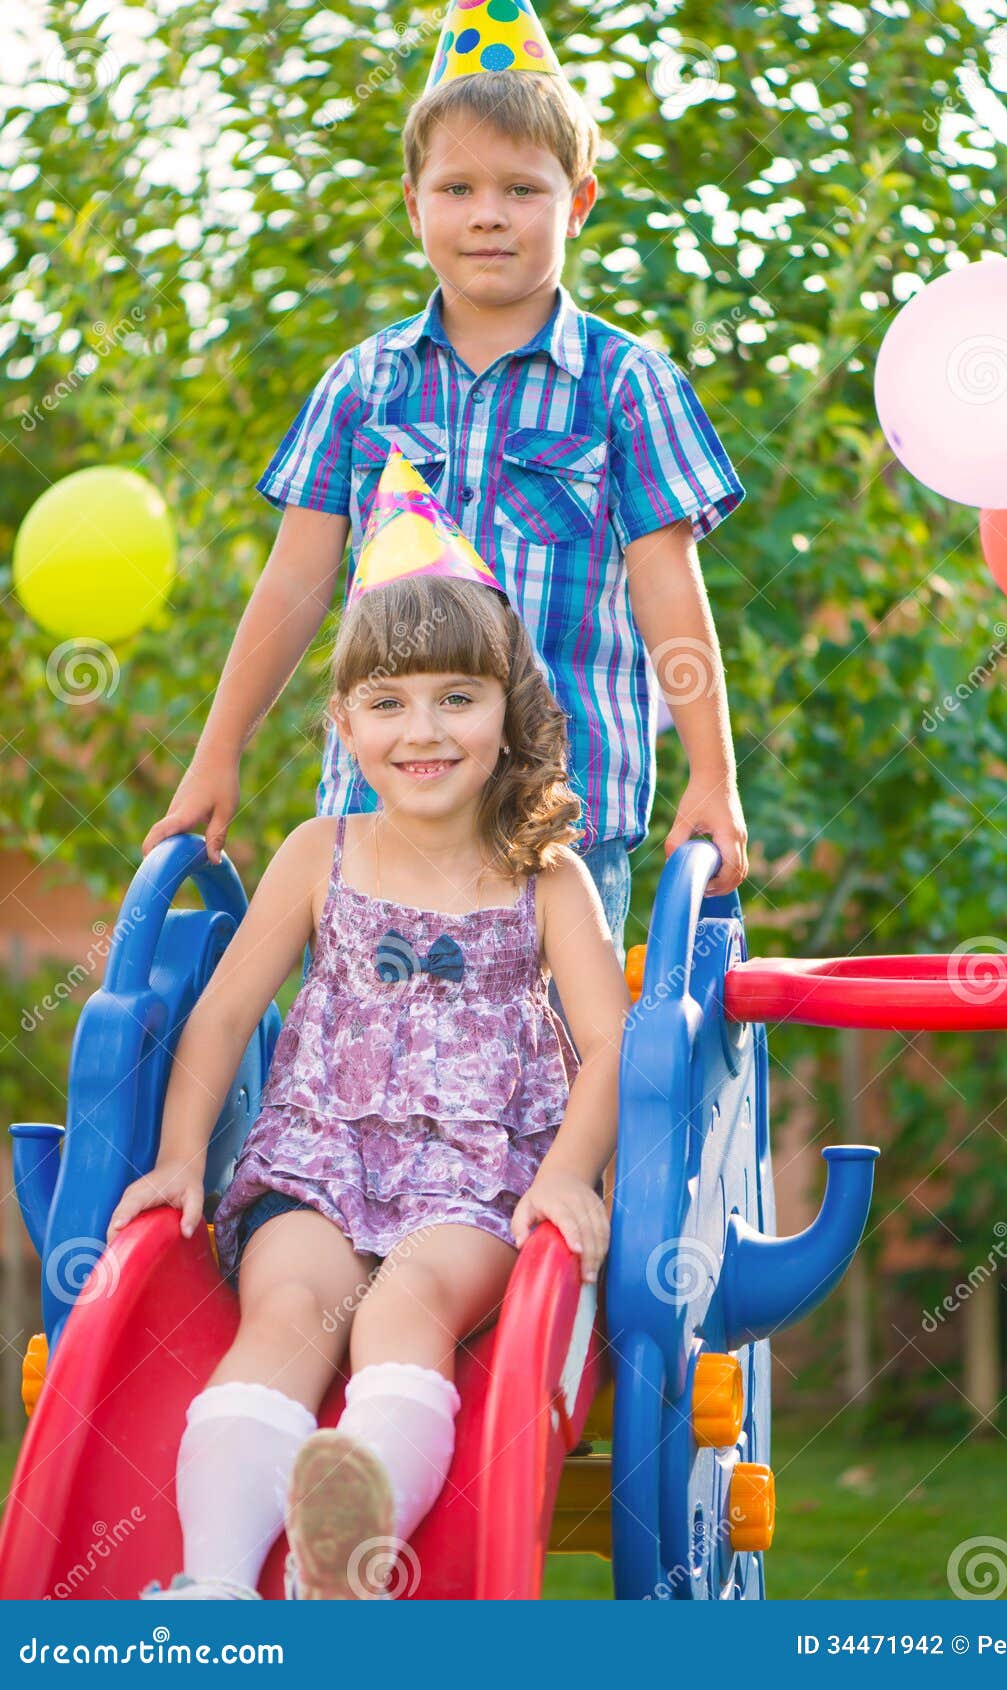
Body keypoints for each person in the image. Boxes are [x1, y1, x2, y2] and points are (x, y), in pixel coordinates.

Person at [140, 0, 750, 997]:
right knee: (368, 1056)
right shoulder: (363, 383)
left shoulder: (624, 385)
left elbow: (669, 593)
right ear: (413, 205)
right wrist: (216, 757)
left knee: (557, 1062)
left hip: (562, 817)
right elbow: (294, 584)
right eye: (458, 187)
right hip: (384, 808)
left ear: (579, 201)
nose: (488, 214)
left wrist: (713, 778)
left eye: (522, 188)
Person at [107, 455, 634, 1600]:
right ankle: (213, 1585)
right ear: (344, 720)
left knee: (407, 1305)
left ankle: (351, 1546)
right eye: (388, 703)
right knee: (288, 1308)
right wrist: (184, 1153)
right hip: (318, 1160)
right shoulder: (319, 853)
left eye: (457, 697)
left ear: (507, 708)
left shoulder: (548, 875)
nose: (423, 731)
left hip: (477, 1178)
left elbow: (610, 1044)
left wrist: (564, 1174)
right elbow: (224, 1014)